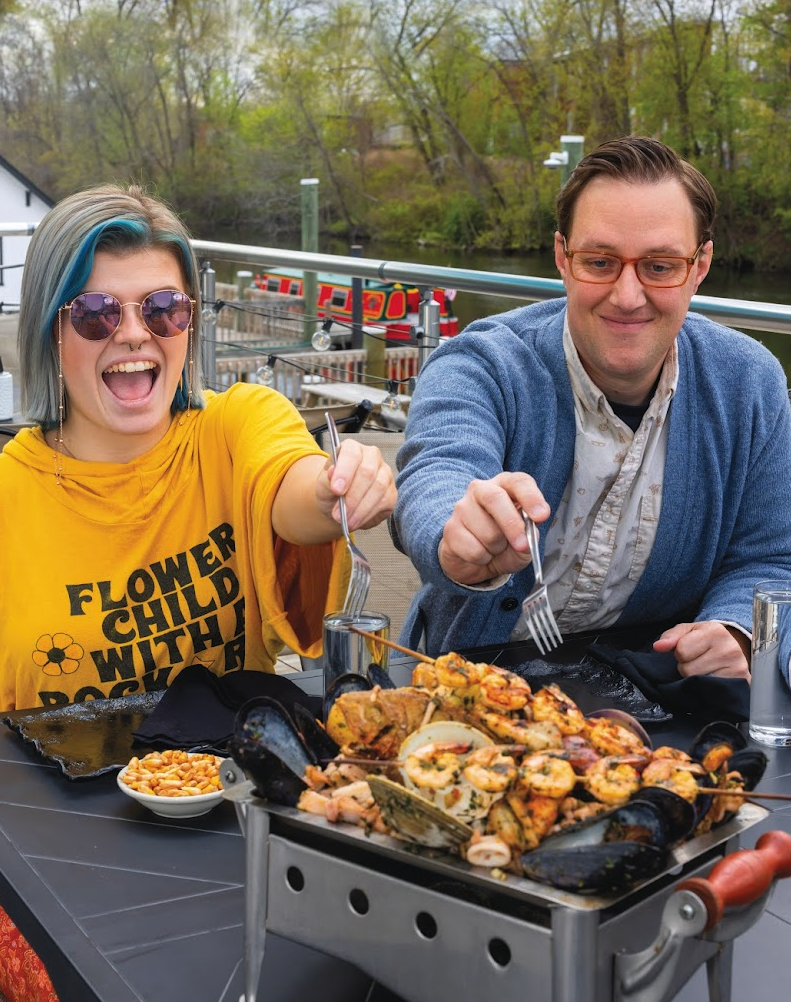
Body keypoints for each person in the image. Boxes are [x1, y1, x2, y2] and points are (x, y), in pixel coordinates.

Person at [0, 184, 397, 1002]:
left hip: (235, 836)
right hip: (61, 862)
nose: (135, 335)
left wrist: (338, 486)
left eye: (164, 309)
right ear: (50, 329)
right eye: (98, 314)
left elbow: (291, 484)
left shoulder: (234, 425)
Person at [392, 135, 791, 680]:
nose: (627, 296)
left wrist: (738, 631)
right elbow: (437, 470)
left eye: (660, 265)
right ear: (563, 258)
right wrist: (455, 535)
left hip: (653, 703)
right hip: (470, 685)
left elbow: (770, 558)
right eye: (600, 262)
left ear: (700, 266)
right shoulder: (482, 363)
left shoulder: (749, 384)